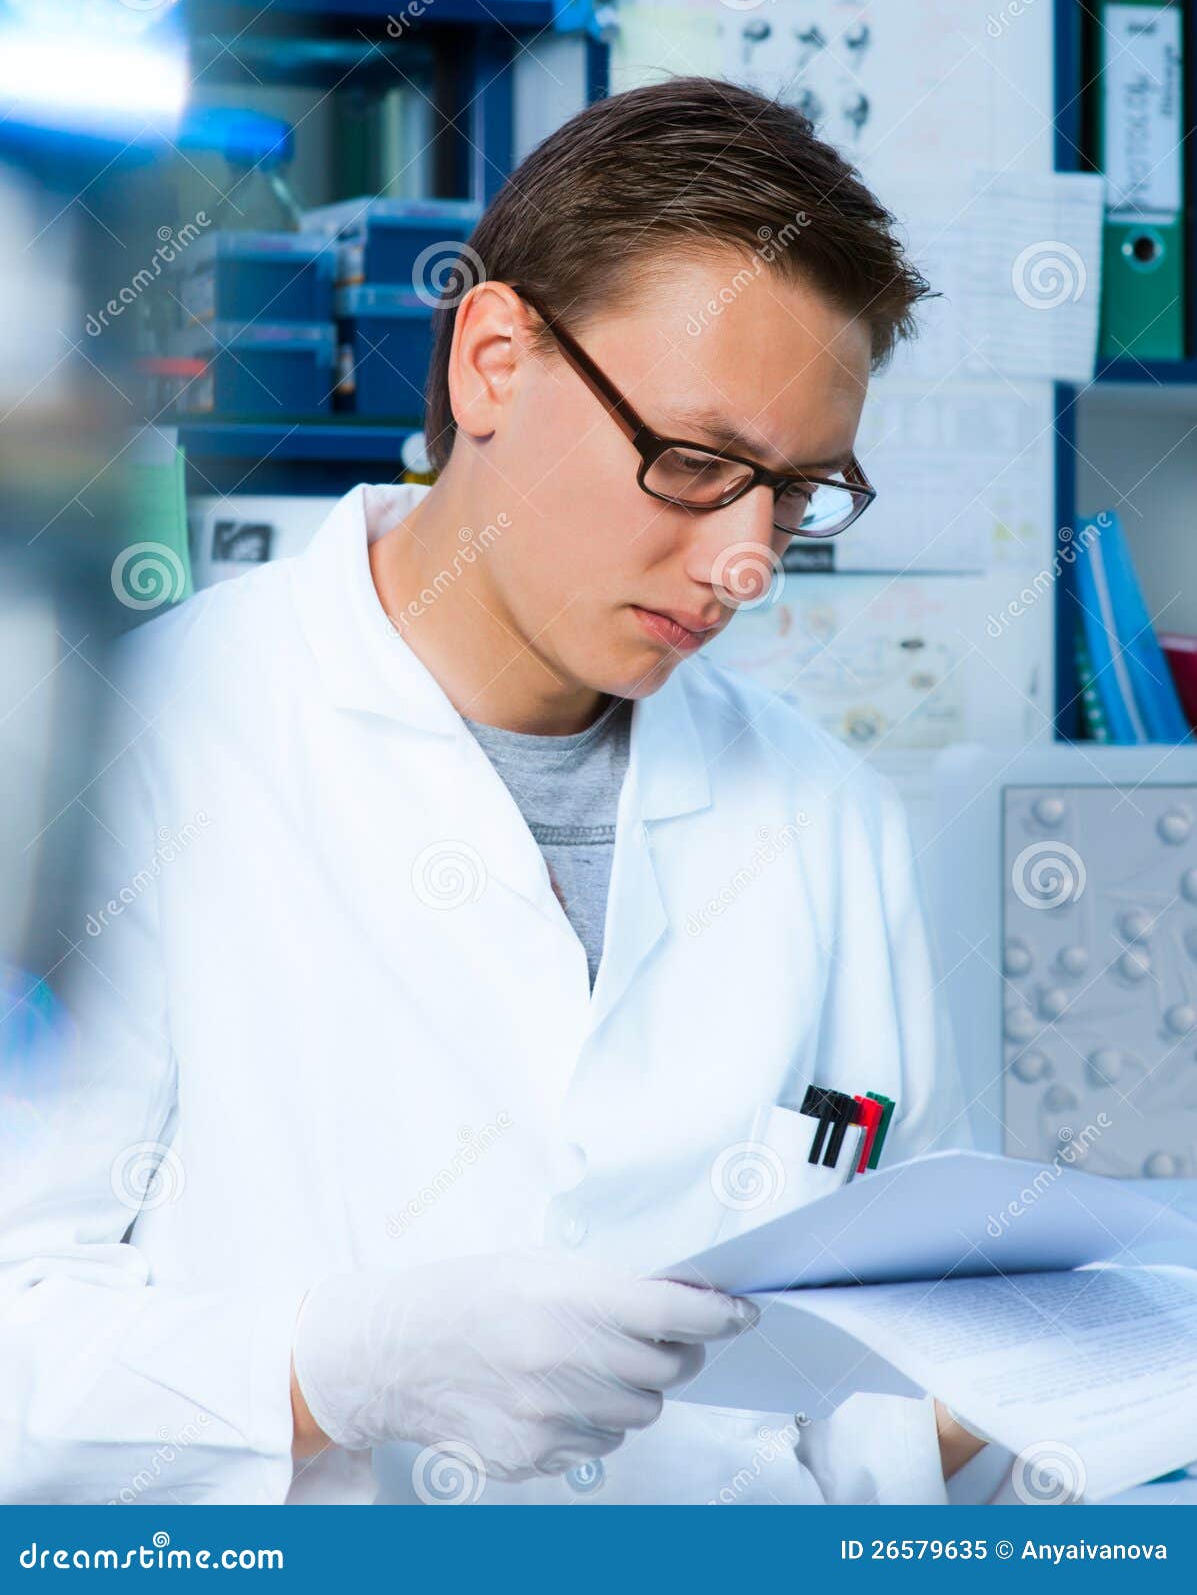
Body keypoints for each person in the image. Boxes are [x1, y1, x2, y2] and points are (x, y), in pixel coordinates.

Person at [1, 76, 983, 1505]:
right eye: (695, 464)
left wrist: (1049, 1395)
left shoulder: (825, 813)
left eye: (795, 493)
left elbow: (885, 1376)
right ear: (494, 362)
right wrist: (326, 1369)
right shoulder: (142, 747)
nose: (746, 563)